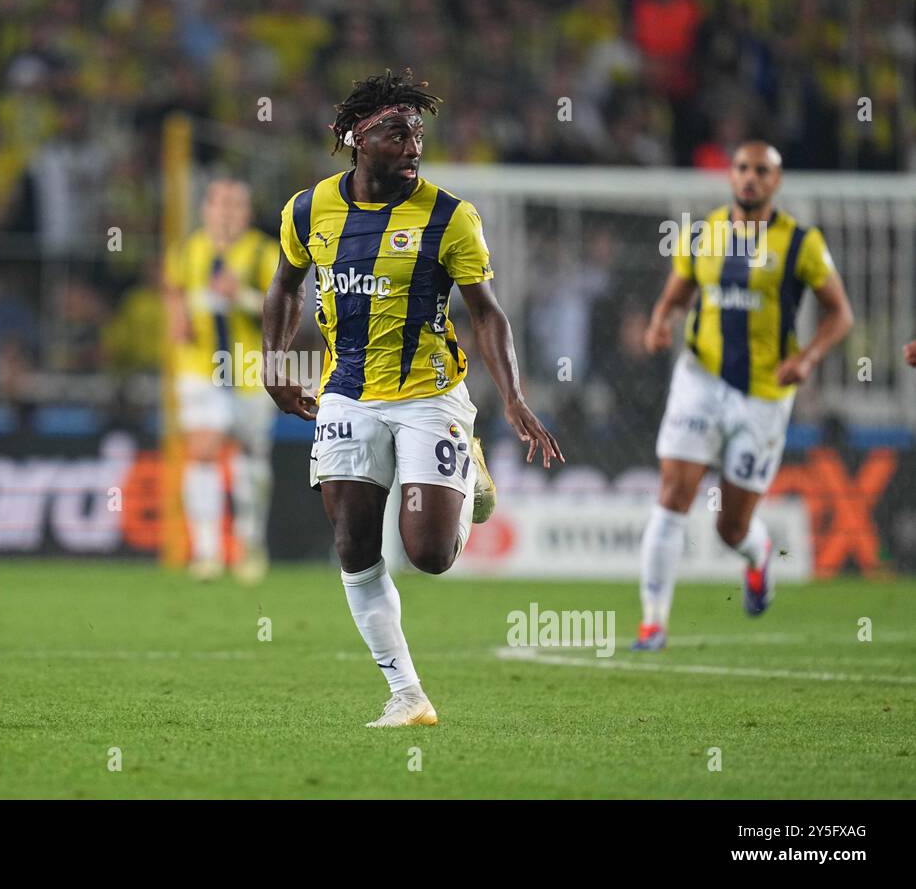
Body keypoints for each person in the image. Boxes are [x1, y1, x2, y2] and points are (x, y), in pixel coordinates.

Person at [262, 69, 563, 727]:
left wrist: (511, 396)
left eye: (418, 132)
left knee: (428, 553)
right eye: (397, 132)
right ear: (353, 138)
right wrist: (274, 362)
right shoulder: (308, 209)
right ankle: (407, 694)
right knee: (352, 541)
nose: (412, 145)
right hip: (346, 393)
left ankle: (470, 469)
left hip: (429, 395)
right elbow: (284, 286)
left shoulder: (451, 217)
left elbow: (488, 313)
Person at [634, 141, 854, 650]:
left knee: (730, 528)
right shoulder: (704, 234)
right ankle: (653, 623)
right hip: (701, 380)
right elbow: (678, 292)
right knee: (671, 497)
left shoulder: (802, 243)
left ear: (776, 182)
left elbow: (839, 313)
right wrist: (659, 322)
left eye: (761, 170)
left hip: (765, 393)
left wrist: (808, 358)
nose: (749, 178)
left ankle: (758, 556)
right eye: (741, 169)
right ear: (730, 177)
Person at [166, 179, 279, 583]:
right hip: (199, 369)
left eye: (236, 204)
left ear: (247, 213)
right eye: (220, 204)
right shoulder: (186, 250)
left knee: (251, 458)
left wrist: (244, 297)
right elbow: (175, 294)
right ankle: (208, 551)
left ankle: (250, 545)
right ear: (206, 209)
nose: (227, 212)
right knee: (203, 451)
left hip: (248, 371)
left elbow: (284, 311)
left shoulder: (263, 253)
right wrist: (177, 321)